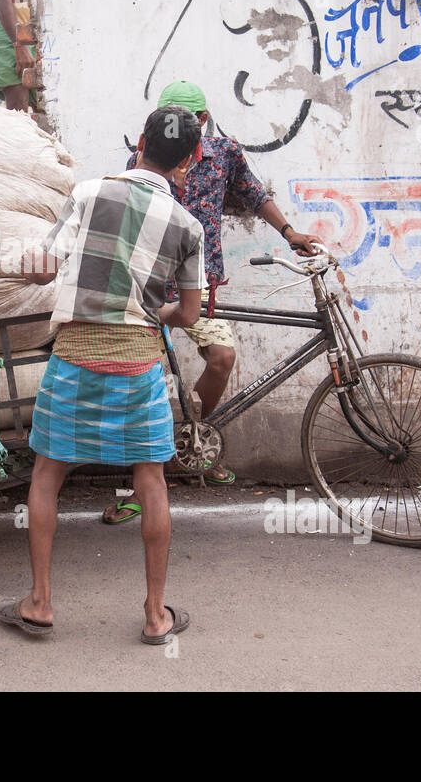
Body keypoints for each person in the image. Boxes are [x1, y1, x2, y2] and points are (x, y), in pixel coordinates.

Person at [0, 105, 205, 644]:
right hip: (137, 364)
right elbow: (188, 316)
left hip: (75, 358)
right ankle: (156, 615)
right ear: (192, 157)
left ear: (139, 141)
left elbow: (43, 266)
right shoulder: (188, 227)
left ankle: (40, 602)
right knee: (150, 479)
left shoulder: (88, 194)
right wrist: (146, 311)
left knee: (47, 473)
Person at [102, 80, 323, 525]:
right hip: (149, 291)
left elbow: (255, 195)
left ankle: (192, 441)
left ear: (202, 121)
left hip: (198, 288)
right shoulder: (143, 162)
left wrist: (290, 232)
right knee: (145, 386)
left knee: (221, 357)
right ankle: (138, 484)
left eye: (185, 121)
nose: (175, 130)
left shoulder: (224, 154)